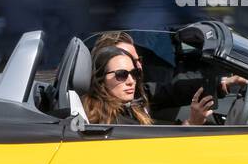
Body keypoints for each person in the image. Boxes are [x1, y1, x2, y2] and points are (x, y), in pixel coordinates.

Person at [83, 45, 213, 126]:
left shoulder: (130, 107)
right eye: (121, 74)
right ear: (100, 80)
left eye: (134, 73)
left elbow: (171, 91)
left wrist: (220, 84)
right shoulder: (109, 124)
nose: (131, 80)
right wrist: (191, 124)